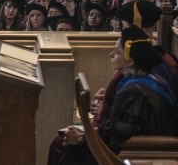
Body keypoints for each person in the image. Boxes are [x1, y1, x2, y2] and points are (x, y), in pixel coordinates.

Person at [58, 26, 178, 164]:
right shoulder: (153, 79)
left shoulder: (133, 92)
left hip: (142, 152)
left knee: (71, 151)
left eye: (116, 52)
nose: (111, 55)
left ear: (130, 60)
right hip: (145, 148)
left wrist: (82, 138)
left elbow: (116, 137)